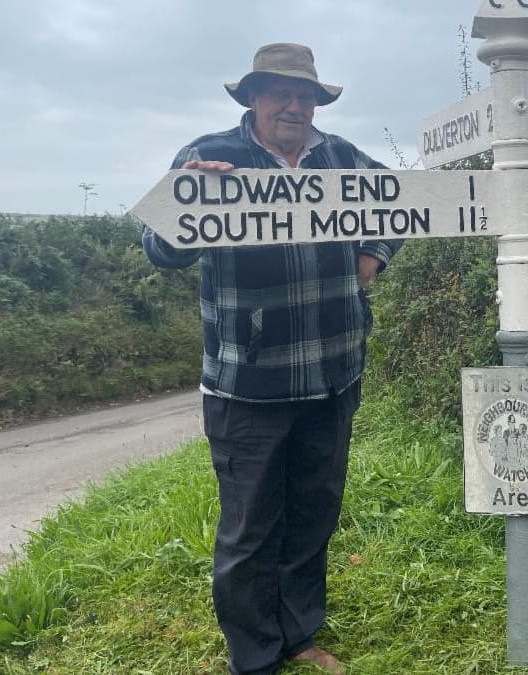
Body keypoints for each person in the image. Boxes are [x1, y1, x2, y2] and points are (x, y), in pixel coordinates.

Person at [141, 43, 402, 674]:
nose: (295, 105)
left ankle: (300, 634)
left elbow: (398, 202)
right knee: (249, 531)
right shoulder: (210, 155)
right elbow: (158, 248)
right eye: (280, 93)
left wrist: (376, 251)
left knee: (314, 515)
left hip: (335, 375)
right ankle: (254, 658)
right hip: (247, 384)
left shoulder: (343, 158)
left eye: (306, 95)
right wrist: (190, 205)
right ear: (253, 97)